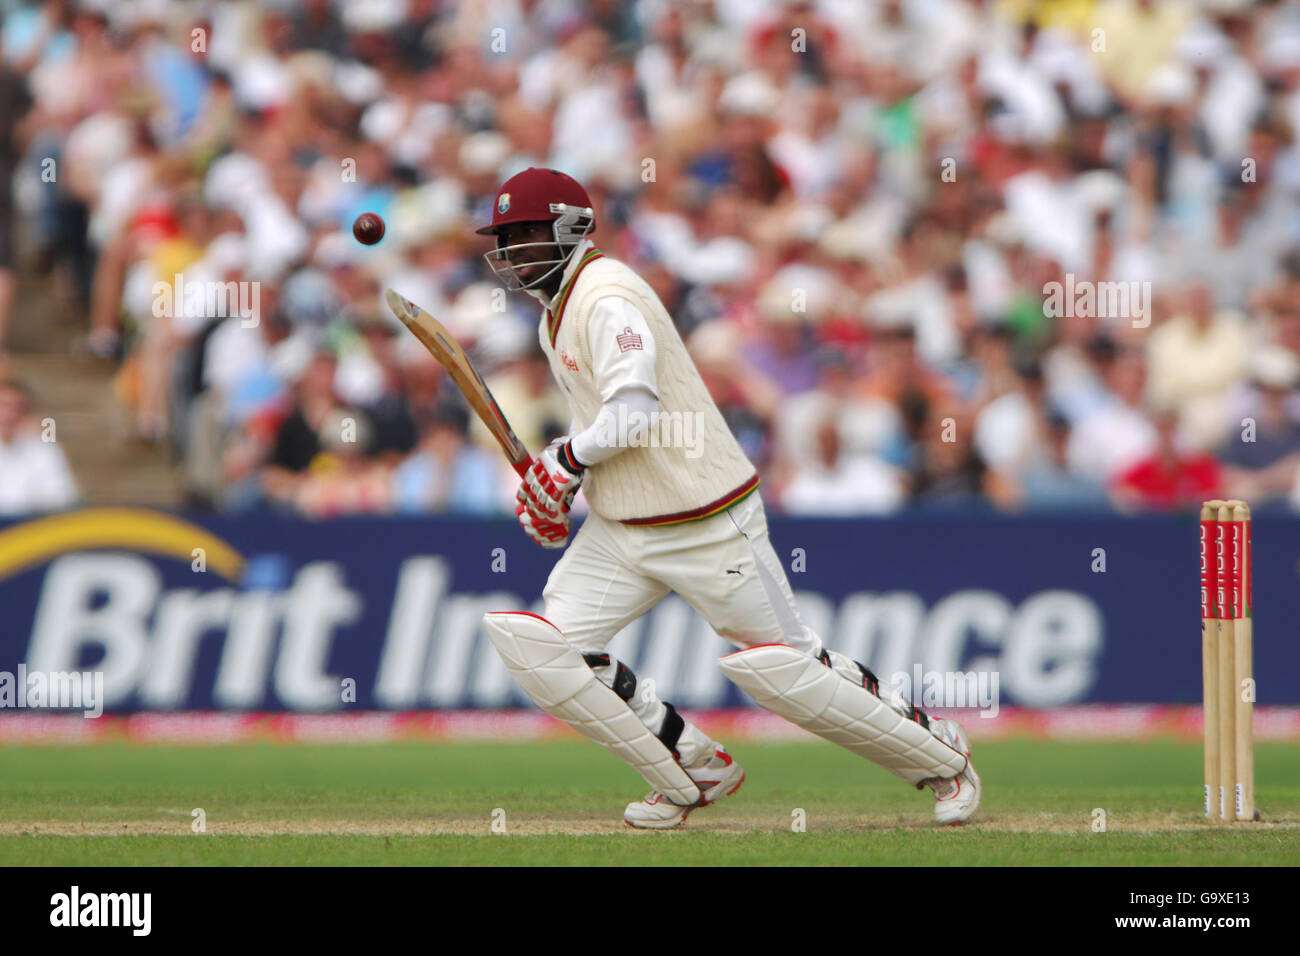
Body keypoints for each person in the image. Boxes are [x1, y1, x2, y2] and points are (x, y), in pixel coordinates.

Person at [476, 167, 980, 828]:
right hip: (622, 528)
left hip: (705, 521)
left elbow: (634, 408)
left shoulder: (605, 298)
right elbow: (603, 423)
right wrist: (558, 485)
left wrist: (565, 459)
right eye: (506, 238)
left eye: (525, 234)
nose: (513, 251)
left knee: (790, 673)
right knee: (547, 648)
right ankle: (689, 765)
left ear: (571, 228)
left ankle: (941, 757)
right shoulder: (555, 316)